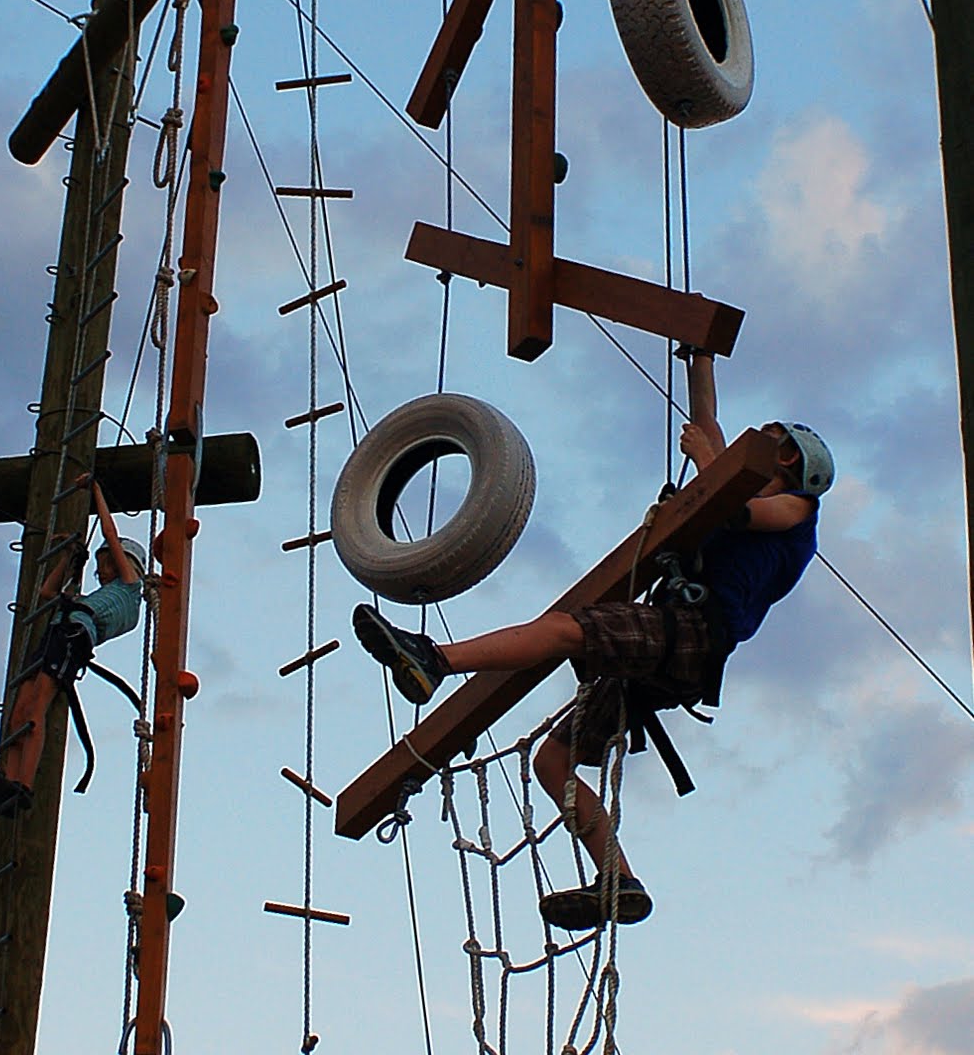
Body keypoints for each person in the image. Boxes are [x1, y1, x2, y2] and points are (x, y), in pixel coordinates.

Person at [353, 349, 833, 930]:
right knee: (553, 760)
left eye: (777, 445)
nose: (760, 449)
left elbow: (738, 504)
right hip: (673, 646)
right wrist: (699, 357)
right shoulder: (736, 485)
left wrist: (709, 459)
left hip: (692, 635)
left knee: (567, 629)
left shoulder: (796, 509)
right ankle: (618, 880)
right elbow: (707, 421)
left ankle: (434, 660)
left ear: (793, 466)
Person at [0, 474, 146, 818]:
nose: (102, 570)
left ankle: (24, 785)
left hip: (72, 638)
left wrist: (95, 490)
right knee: (18, 712)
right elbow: (48, 593)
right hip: (59, 633)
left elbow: (109, 533)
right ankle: (7, 780)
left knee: (35, 711)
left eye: (105, 561)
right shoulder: (97, 598)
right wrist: (69, 556)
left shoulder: (129, 588)